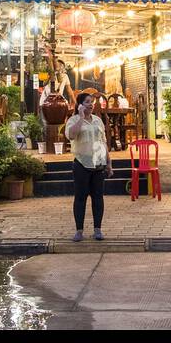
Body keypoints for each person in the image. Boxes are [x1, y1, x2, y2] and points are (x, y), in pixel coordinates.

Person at [65, 91, 111, 241]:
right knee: (80, 197)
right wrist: (81, 117)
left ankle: (98, 230)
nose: (90, 105)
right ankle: (79, 231)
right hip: (81, 163)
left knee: (98, 197)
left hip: (98, 163)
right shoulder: (73, 120)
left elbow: (103, 142)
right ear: (80, 105)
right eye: (87, 102)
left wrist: (108, 162)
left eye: (91, 102)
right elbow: (71, 135)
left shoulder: (98, 121)